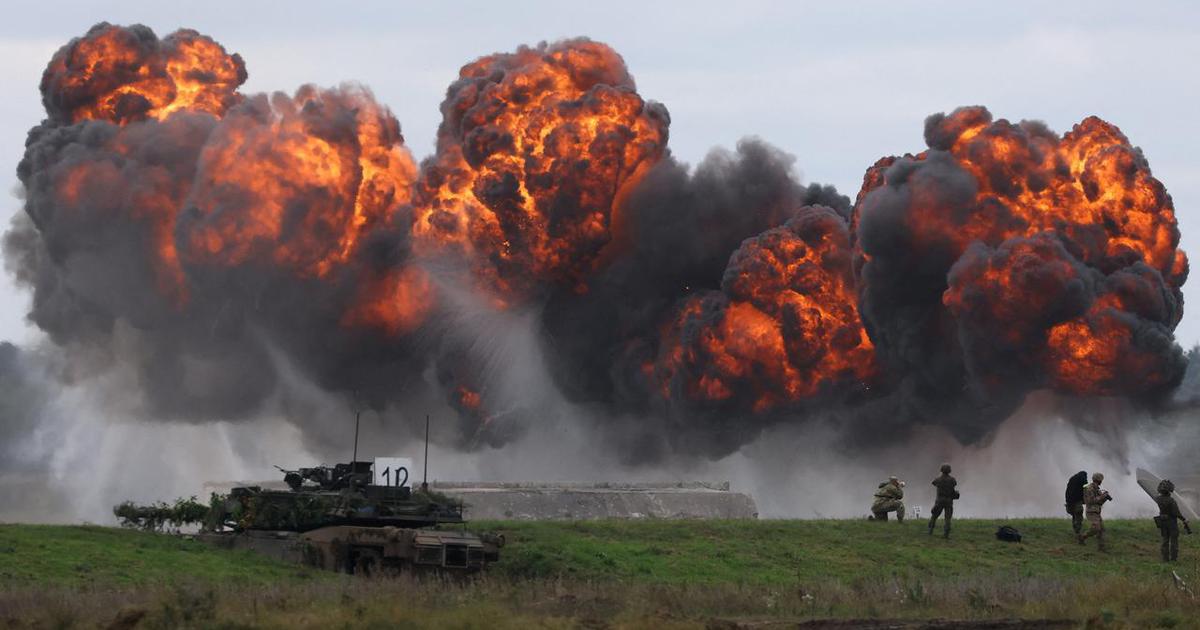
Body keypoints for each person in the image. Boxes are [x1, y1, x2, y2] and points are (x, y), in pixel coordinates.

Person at [1154, 479, 1192, 562]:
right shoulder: (1171, 500)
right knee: (1174, 541)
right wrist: (1184, 519)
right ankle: (1173, 559)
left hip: (1162, 521)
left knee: (1165, 541)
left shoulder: (1158, 499)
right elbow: (1176, 513)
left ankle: (1165, 559)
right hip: (1171, 522)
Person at [1078, 472, 1112, 551]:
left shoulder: (1097, 489)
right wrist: (1102, 496)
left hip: (1097, 512)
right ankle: (1082, 537)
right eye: (1101, 480)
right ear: (1098, 480)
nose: (1101, 481)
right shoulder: (1089, 488)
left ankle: (1101, 548)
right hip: (1091, 512)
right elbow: (1090, 501)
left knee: (1102, 530)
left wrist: (1105, 498)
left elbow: (1099, 502)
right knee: (1096, 528)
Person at [928, 463, 958, 538]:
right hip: (948, 500)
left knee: (934, 515)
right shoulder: (952, 480)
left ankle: (930, 530)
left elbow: (933, 483)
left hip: (939, 500)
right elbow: (954, 485)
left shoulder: (938, 479)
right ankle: (946, 534)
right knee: (947, 518)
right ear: (949, 470)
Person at [1065, 470, 1088, 535]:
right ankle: (1078, 531)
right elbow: (1085, 487)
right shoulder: (1083, 478)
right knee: (1079, 515)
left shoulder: (1072, 479)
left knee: (1074, 515)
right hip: (1077, 501)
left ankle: (1075, 527)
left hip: (1069, 501)